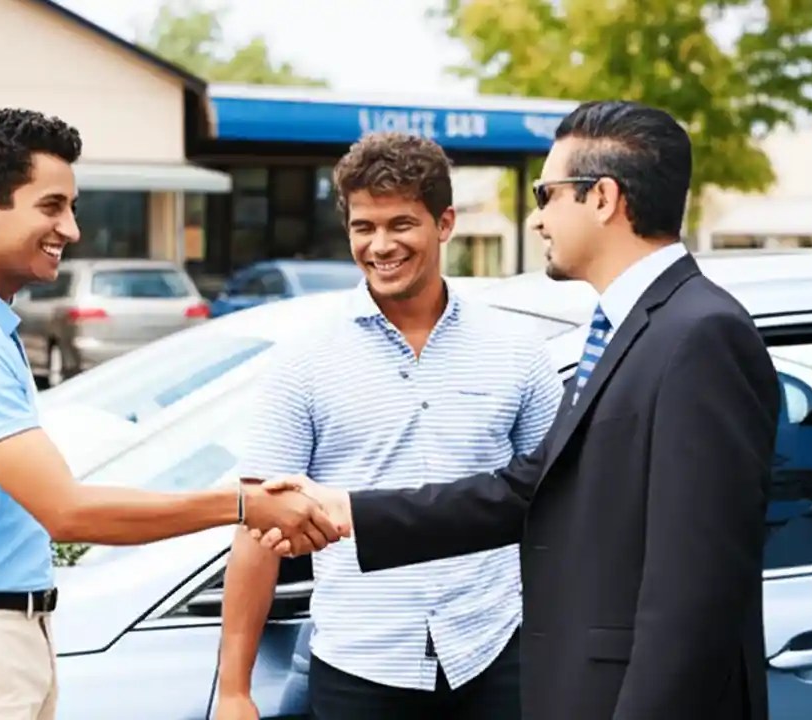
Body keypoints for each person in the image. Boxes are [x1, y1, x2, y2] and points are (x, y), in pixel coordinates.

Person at [257, 101, 782, 720]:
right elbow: (528, 492)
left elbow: (695, 594)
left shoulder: (700, 333)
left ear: (603, 198)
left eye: (547, 194)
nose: (537, 220)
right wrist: (351, 511)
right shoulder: (631, 329)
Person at [0, 108, 340, 720]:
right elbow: (66, 511)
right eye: (50, 206)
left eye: (72, 208)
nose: (69, 229)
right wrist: (241, 502)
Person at [214, 131, 562, 720]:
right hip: (360, 665)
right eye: (363, 228)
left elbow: (555, 504)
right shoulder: (305, 358)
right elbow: (257, 524)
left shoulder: (517, 349)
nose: (380, 246)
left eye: (401, 224)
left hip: (496, 653)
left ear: (444, 222)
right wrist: (233, 689)